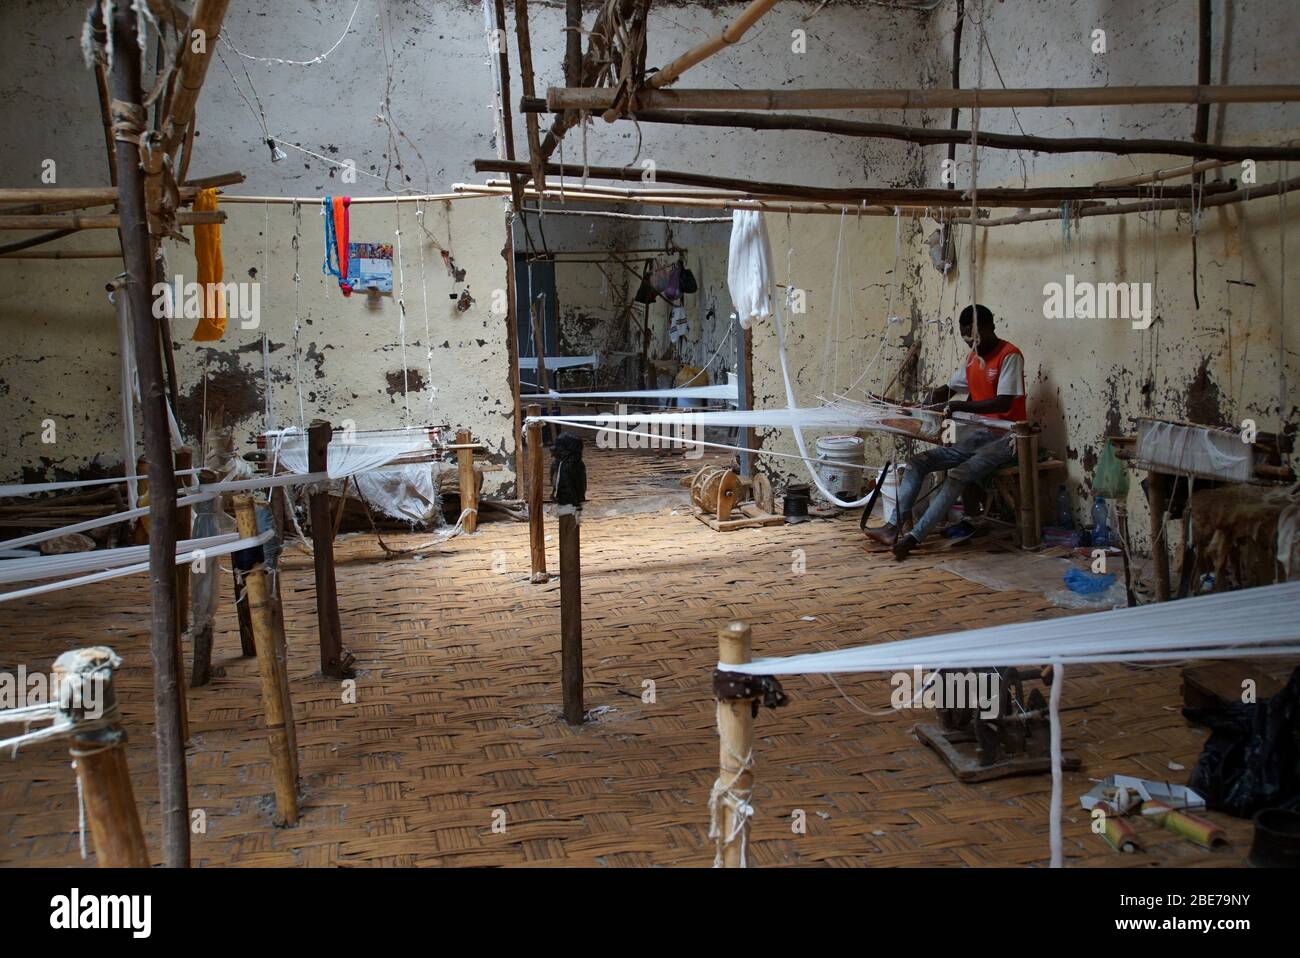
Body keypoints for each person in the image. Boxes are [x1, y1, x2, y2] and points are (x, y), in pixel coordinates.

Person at [865, 303, 1027, 561]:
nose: (971, 344)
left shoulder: (1010, 356)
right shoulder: (973, 357)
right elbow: (947, 390)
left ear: (990, 327)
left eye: (975, 337)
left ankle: (914, 538)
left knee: (957, 474)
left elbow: (1003, 403)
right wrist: (923, 404)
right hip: (978, 434)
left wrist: (958, 405)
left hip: (1006, 438)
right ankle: (893, 527)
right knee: (919, 462)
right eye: (966, 339)